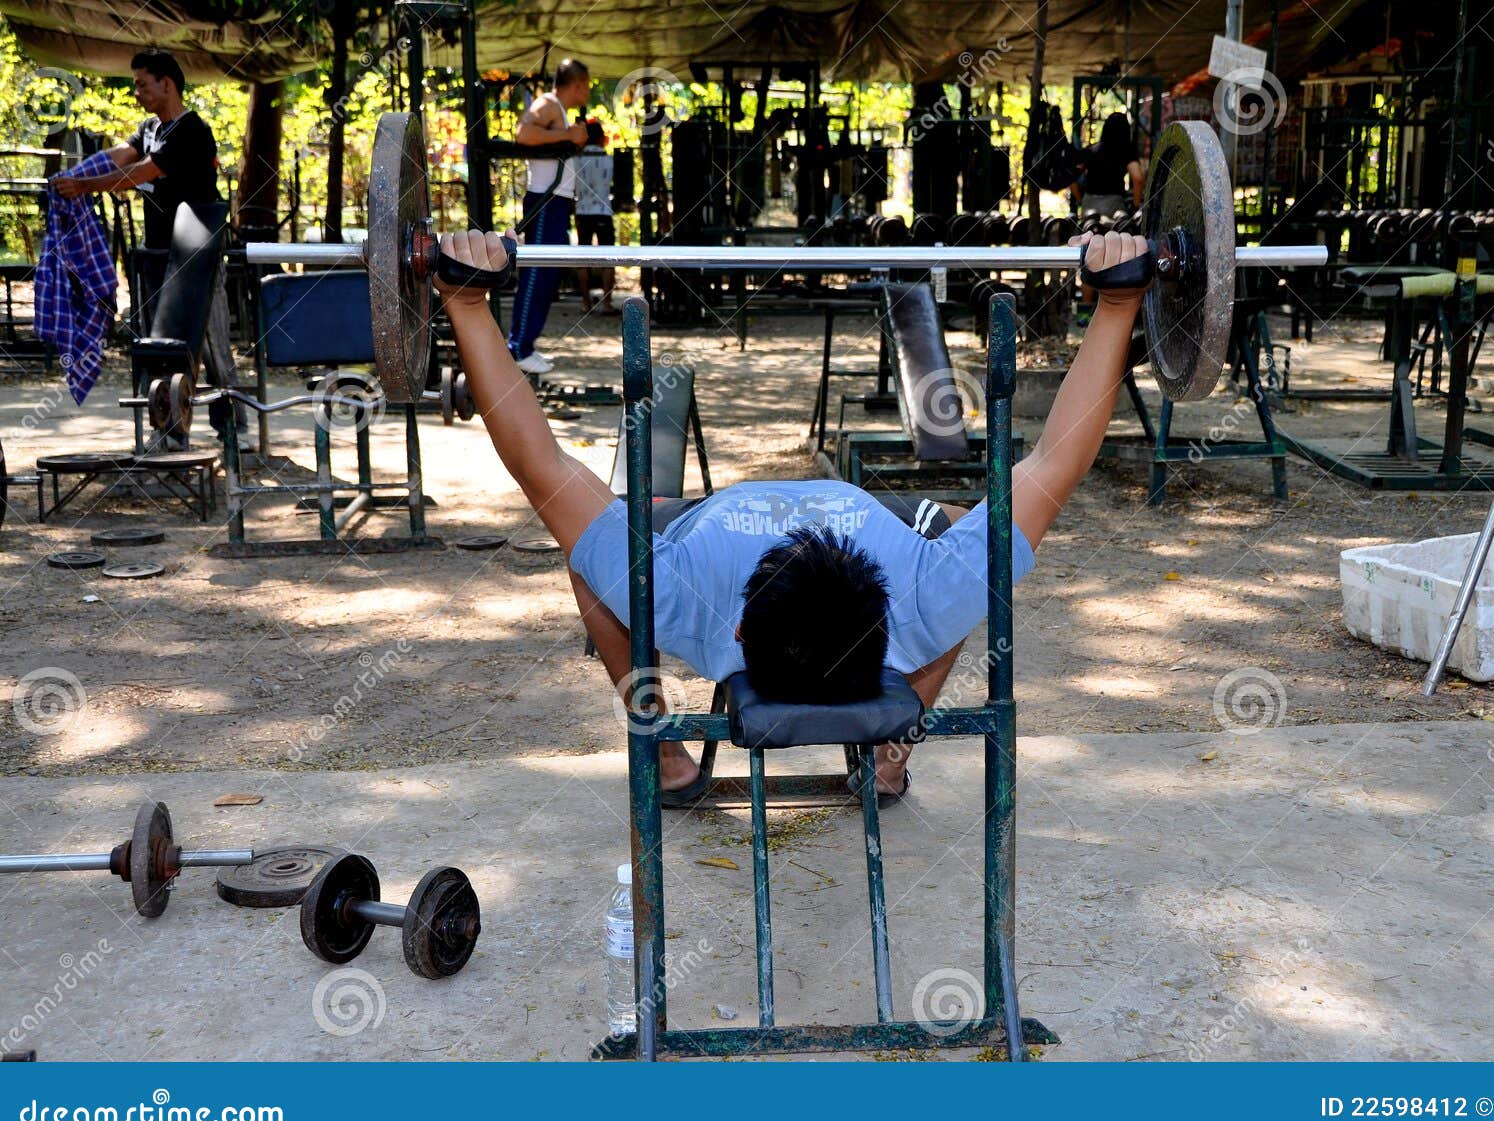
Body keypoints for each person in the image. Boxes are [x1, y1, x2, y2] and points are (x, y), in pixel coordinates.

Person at [432, 227, 1150, 804]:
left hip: (702, 532)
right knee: (968, 568)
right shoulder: (924, 595)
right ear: (886, 627)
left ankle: (661, 744)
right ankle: (889, 756)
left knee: (590, 554)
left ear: (738, 632)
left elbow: (543, 465)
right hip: (867, 536)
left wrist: (466, 303)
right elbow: (1054, 463)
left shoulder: (676, 594)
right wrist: (1118, 305)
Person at [50, 48, 246, 447]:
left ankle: (234, 430)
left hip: (199, 254)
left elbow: (142, 172)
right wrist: (78, 172)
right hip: (158, 254)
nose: (136, 91)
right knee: (165, 344)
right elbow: (122, 155)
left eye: (142, 84)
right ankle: (171, 429)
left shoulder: (192, 130)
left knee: (213, 347)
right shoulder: (150, 127)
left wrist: (85, 187)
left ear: (166, 84)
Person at [504, 59, 593, 375]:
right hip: (545, 199)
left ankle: (526, 345)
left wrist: (570, 135)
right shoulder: (548, 103)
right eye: (588, 85)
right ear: (579, 84)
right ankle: (517, 349)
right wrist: (567, 136)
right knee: (537, 272)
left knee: (549, 273)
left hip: (556, 202)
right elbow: (523, 133)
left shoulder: (559, 110)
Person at [572, 137, 618, 316]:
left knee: (583, 258)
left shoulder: (576, 159)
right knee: (609, 258)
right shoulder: (609, 159)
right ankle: (606, 303)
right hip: (603, 211)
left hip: (582, 212)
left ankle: (585, 303)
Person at [1076, 111, 1145, 221]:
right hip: (1114, 206)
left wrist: (1080, 199)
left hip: (1089, 204)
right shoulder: (1126, 151)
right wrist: (1136, 205)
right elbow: (1138, 178)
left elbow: (1072, 175)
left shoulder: (1092, 149)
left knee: (1088, 236)